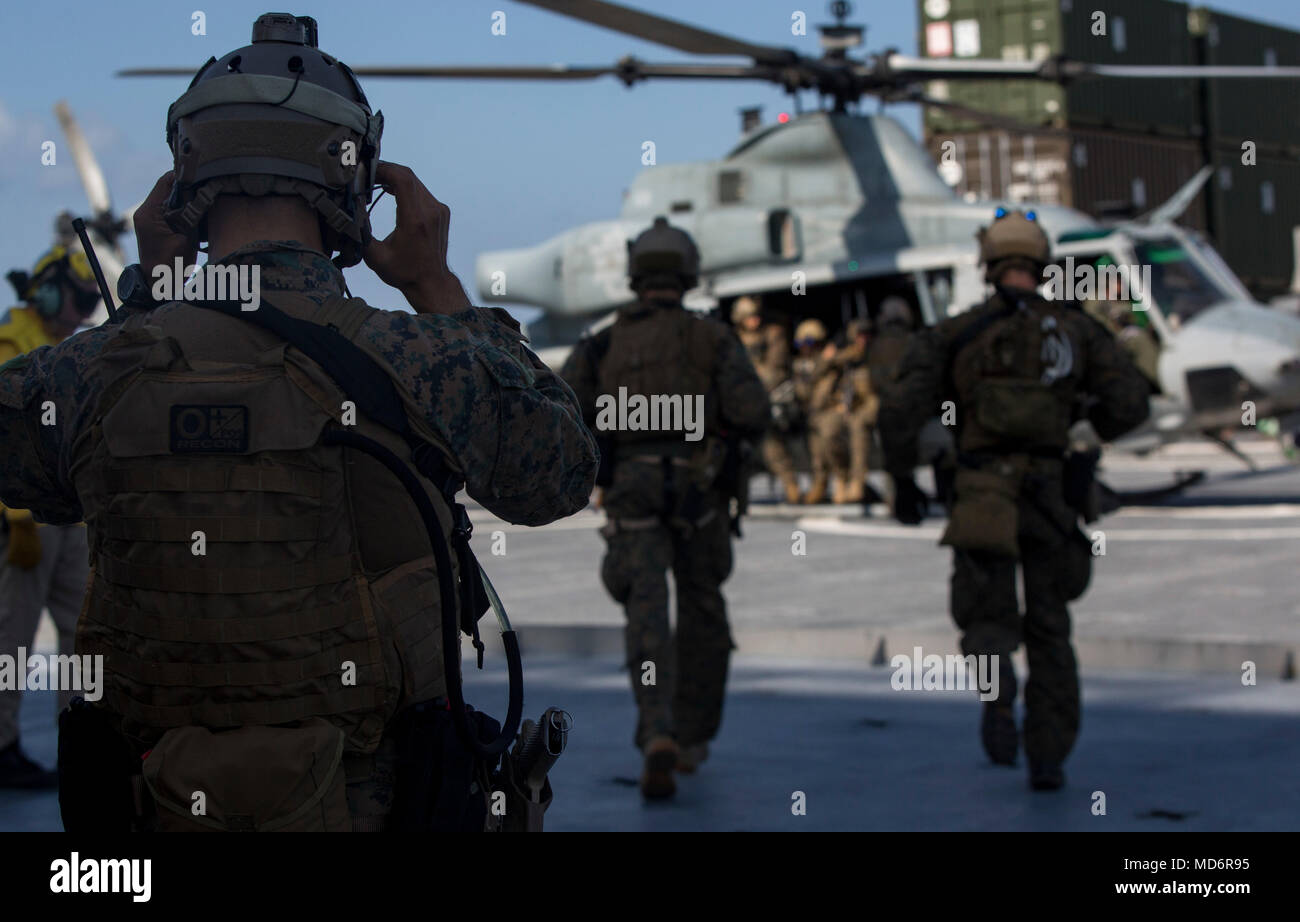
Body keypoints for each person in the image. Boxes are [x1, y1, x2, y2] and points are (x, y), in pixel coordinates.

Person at [0, 13, 597, 831]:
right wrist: (439, 289)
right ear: (353, 183)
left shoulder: (87, 374)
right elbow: (557, 476)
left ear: (183, 184)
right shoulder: (423, 360)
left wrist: (150, 298)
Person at [879, 209, 1150, 791]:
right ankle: (1048, 754)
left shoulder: (957, 333)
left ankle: (997, 694)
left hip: (981, 491)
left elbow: (899, 413)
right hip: (1053, 494)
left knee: (984, 619)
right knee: (1051, 627)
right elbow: (1131, 402)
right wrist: (1084, 429)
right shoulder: (1076, 331)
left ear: (989, 264)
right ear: (1041, 261)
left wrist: (905, 478)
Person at [560, 217, 768, 799]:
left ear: (635, 276)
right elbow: (753, 409)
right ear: (688, 273)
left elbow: (563, 413)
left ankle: (657, 731)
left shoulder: (601, 343)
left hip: (634, 488)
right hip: (700, 492)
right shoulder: (713, 338)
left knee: (646, 616)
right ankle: (695, 737)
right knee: (704, 610)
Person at [0, 247, 102, 788]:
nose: (85, 313)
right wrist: (13, 520)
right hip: (23, 523)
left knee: (82, 634)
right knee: (12, 638)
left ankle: (77, 735)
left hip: (70, 522)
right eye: (81, 298)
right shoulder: (8, 343)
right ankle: (3, 745)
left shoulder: (71, 351)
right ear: (46, 291)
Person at [731, 295, 801, 503]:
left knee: (771, 443)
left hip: (770, 395)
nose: (755, 321)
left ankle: (791, 486)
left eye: (755, 316)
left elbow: (776, 368)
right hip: (743, 399)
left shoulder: (772, 334)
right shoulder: (733, 340)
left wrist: (753, 380)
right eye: (748, 317)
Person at [791, 318, 833, 504]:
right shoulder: (800, 366)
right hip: (810, 414)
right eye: (800, 344)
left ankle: (840, 482)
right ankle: (819, 486)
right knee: (816, 455)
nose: (804, 348)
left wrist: (826, 360)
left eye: (808, 343)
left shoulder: (830, 360)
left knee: (828, 445)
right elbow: (802, 390)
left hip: (828, 412)